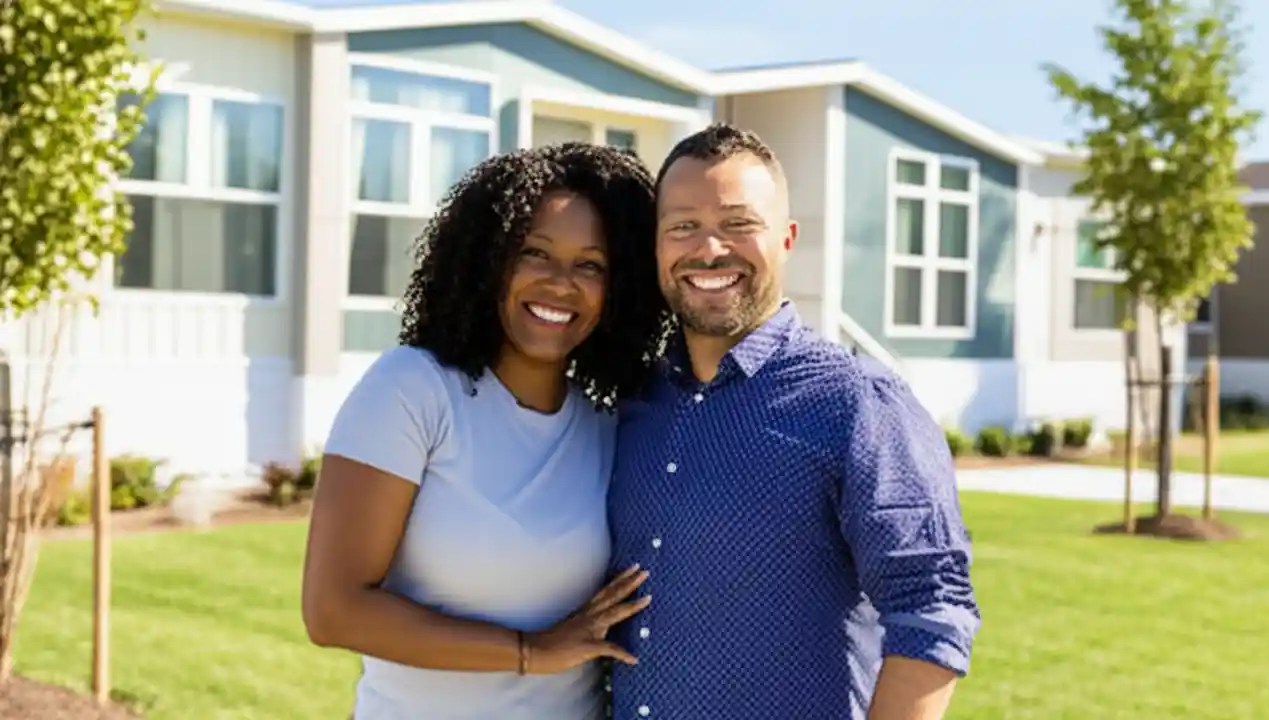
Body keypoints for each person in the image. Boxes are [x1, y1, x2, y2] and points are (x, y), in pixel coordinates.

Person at [606, 123, 981, 719]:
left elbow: (931, 606)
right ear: (655, 246)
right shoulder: (631, 406)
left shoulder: (858, 403)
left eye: (738, 224)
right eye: (683, 226)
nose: (709, 249)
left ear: (787, 238)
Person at [301, 142, 671, 719]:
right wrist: (530, 652)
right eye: (534, 253)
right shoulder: (412, 391)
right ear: (488, 260)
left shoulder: (606, 424)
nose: (560, 283)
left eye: (591, 265)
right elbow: (332, 610)